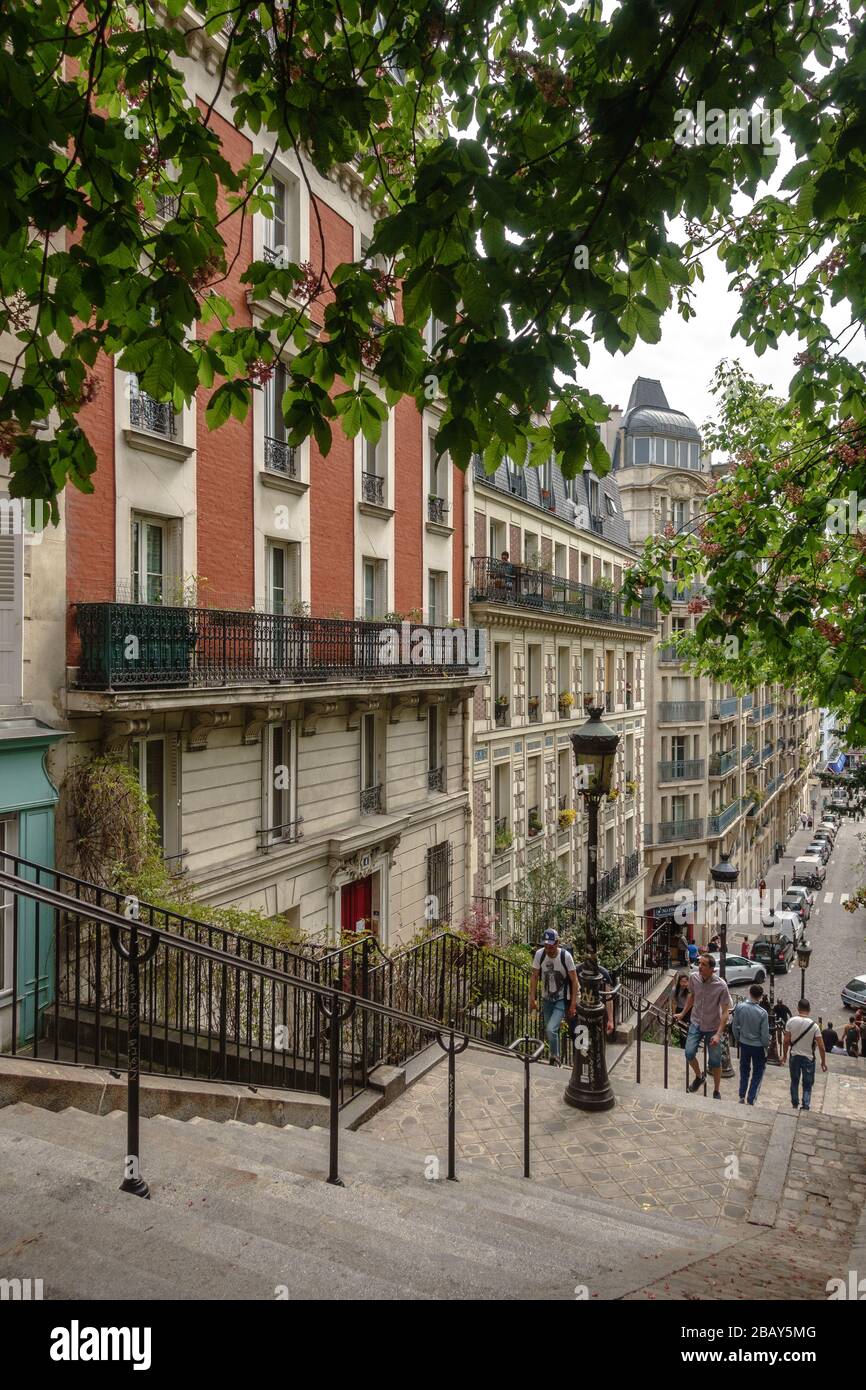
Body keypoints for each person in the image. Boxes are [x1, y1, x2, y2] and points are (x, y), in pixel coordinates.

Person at [674, 953, 733, 1101]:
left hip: (713, 1027)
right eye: (699, 963)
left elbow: (725, 1011)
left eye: (703, 965)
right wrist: (682, 1014)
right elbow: (692, 997)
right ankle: (699, 1077)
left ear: (712, 969)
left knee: (715, 1061)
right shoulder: (694, 978)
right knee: (688, 1053)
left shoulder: (721, 985)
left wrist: (719, 1034)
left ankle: (716, 1090)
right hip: (696, 1023)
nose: (699, 967)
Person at [529, 928, 579, 1067]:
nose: (548, 950)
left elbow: (574, 981)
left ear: (557, 943)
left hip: (561, 999)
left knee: (551, 1029)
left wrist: (573, 1003)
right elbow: (534, 976)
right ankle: (556, 1057)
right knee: (552, 1030)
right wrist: (532, 998)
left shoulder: (566, 956)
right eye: (546, 946)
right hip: (546, 999)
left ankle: (555, 1057)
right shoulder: (539, 955)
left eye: (551, 947)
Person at [783, 998, 827, 1112]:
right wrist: (823, 1062)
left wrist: (784, 1056)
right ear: (809, 1010)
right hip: (808, 1058)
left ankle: (794, 1104)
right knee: (807, 1084)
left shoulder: (791, 1022)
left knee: (794, 1081)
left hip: (794, 1055)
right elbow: (821, 1046)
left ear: (798, 1008)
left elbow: (786, 1041)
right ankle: (806, 1105)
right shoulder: (814, 1026)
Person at [732, 983, 770, 1105]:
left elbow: (734, 1026)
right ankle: (751, 1097)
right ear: (760, 996)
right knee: (757, 1072)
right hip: (758, 1046)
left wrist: (739, 1038)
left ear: (750, 993)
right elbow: (764, 1034)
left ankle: (742, 1095)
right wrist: (766, 1046)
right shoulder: (762, 1013)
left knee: (744, 1069)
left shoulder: (740, 1007)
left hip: (744, 1043)